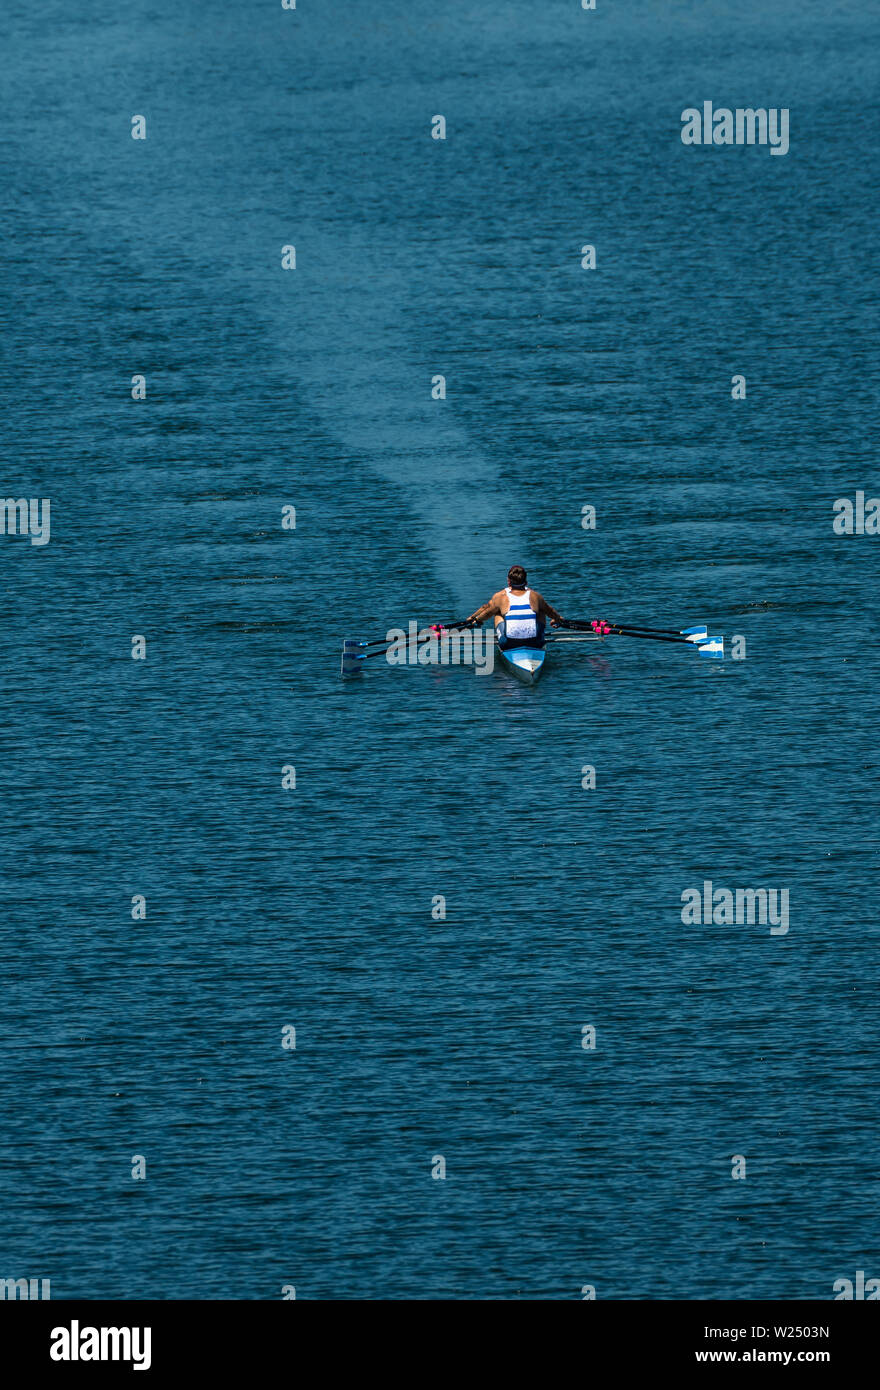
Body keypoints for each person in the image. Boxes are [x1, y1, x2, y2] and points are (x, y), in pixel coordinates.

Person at [466, 566, 565, 650]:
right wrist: (558, 619)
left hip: (508, 644)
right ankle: (538, 636)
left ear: (509, 582)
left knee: (497, 612)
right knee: (541, 610)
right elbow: (550, 611)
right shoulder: (536, 596)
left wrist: (476, 620)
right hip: (536, 643)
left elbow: (487, 613)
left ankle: (505, 635)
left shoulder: (501, 596)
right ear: (526, 582)